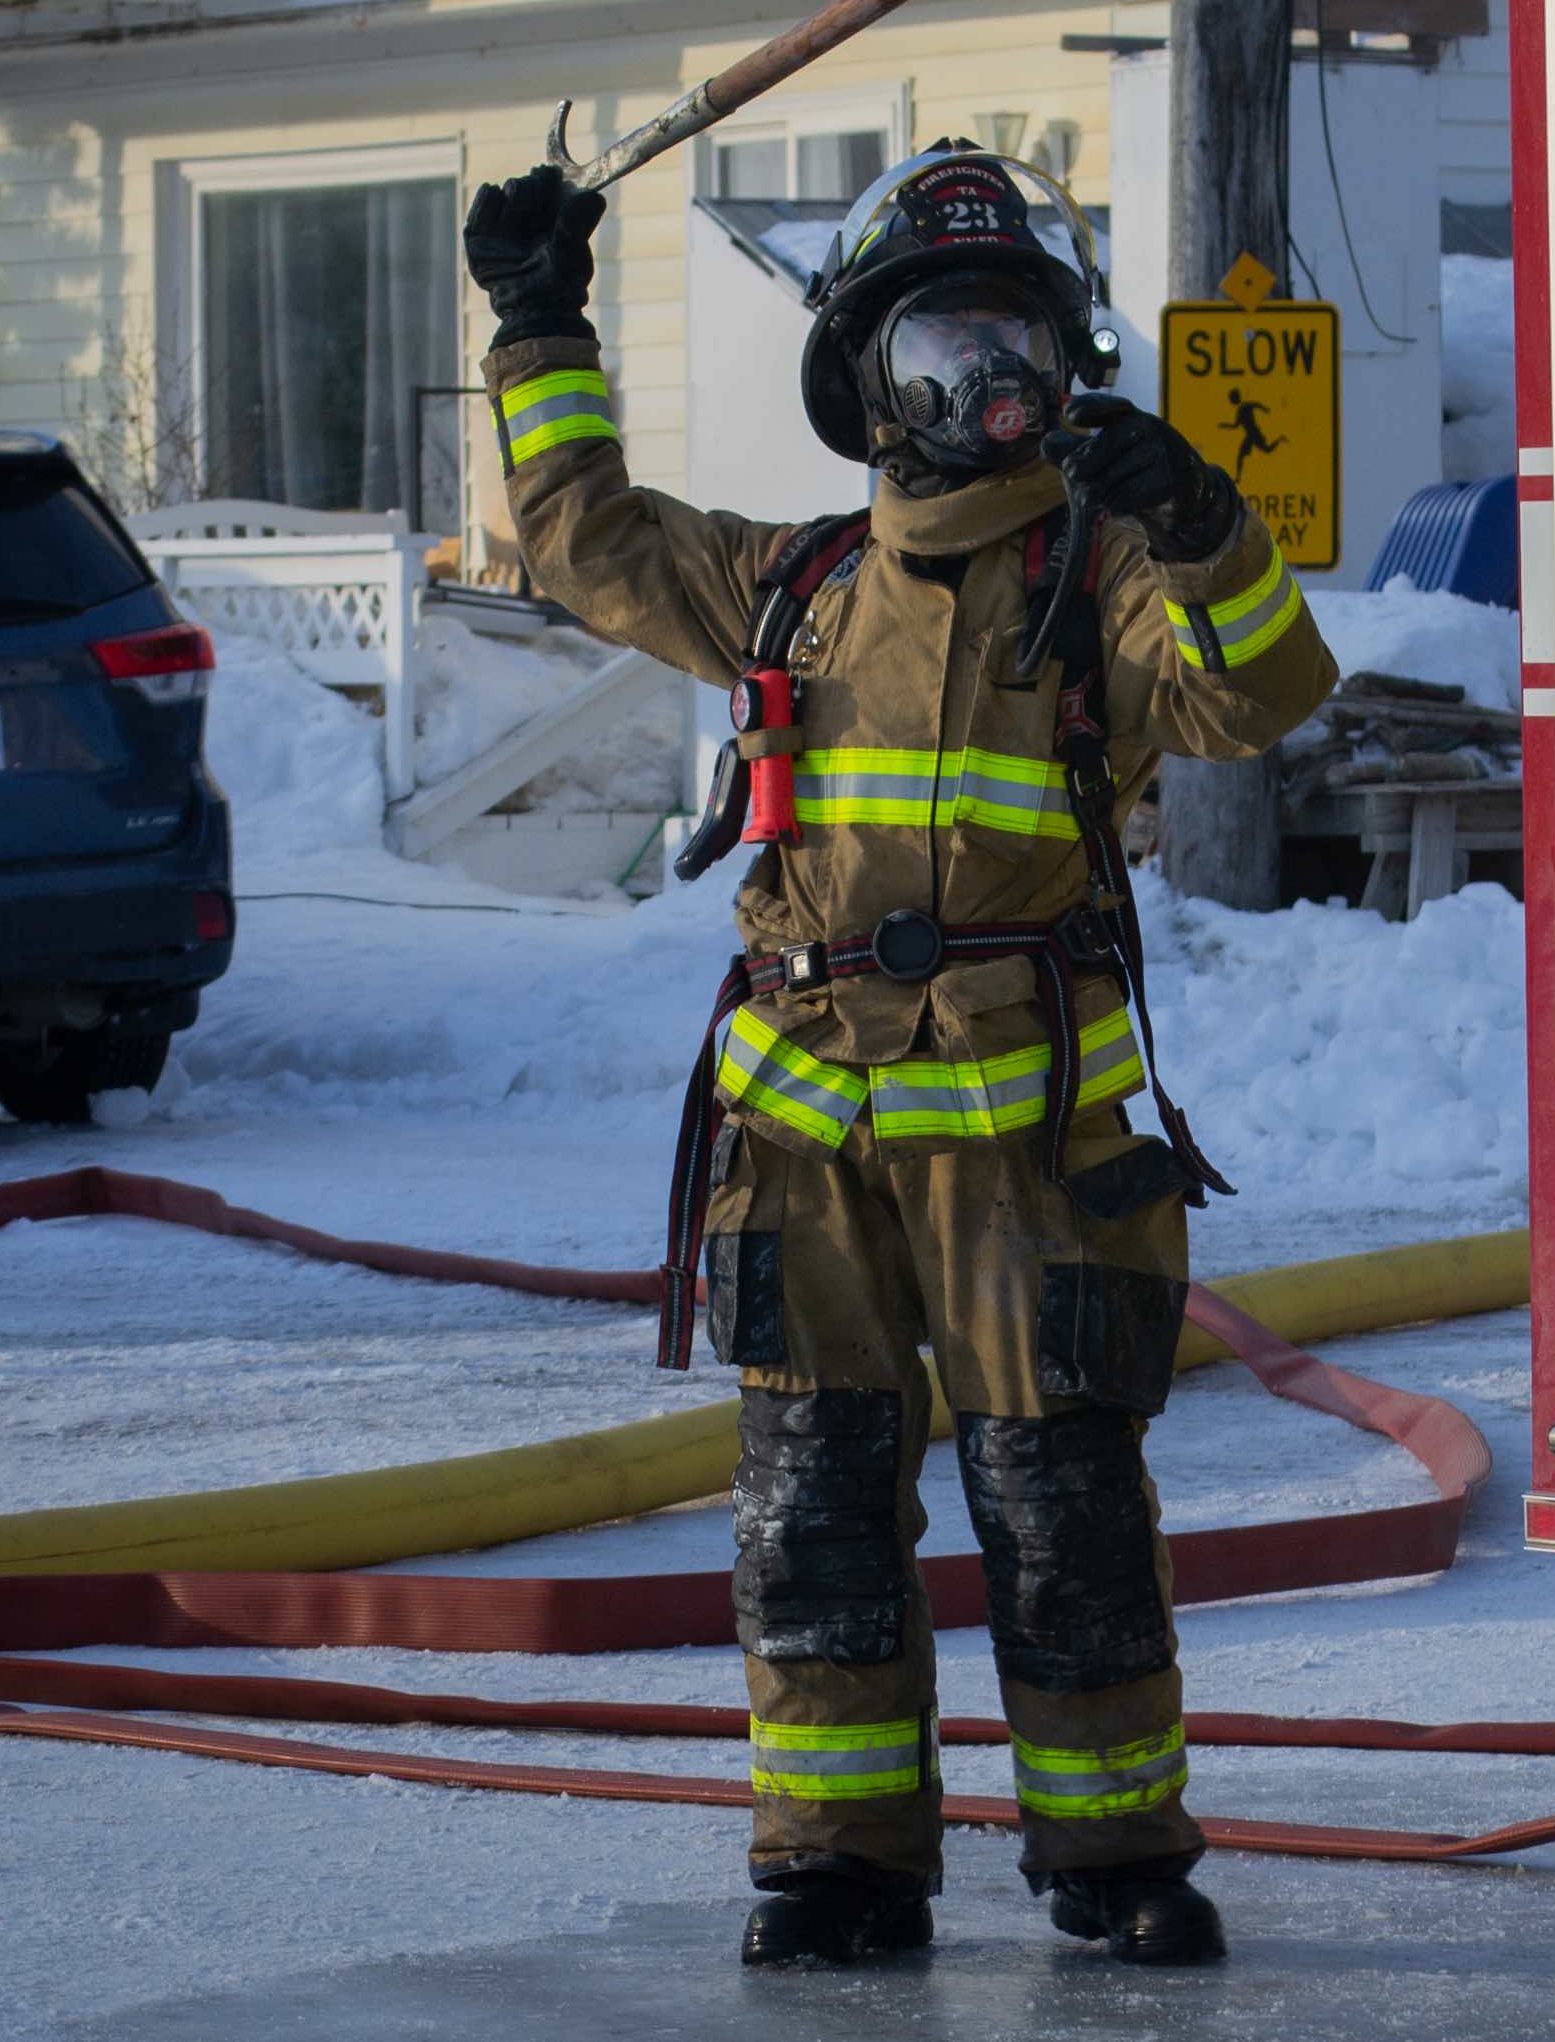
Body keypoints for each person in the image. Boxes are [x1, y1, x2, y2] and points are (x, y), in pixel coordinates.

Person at [463, 143, 1336, 1972]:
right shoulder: (790, 585)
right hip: (808, 1141)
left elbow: (1261, 686)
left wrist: (1200, 520)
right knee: (811, 1509)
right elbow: (579, 535)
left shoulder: (1100, 580)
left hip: (1032, 1143)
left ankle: (1110, 1853)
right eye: (941, 343)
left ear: (1066, 358)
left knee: (1065, 1505)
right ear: (867, 373)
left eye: (1010, 337)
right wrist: (540, 318)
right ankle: (840, 1858)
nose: (982, 383)